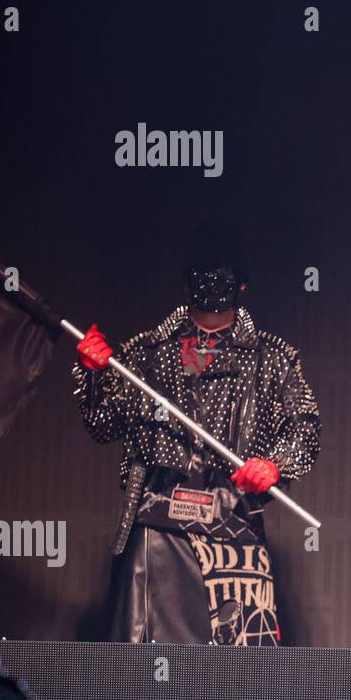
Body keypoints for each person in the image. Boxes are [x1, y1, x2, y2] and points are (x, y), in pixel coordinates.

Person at [72, 222, 320, 645]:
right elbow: (102, 424)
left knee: (238, 682)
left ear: (242, 282)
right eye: (202, 270)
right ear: (186, 278)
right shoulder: (145, 354)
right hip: (157, 528)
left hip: (233, 529)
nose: (211, 280)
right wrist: (92, 375)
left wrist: (272, 465)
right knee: (146, 680)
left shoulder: (272, 358)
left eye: (222, 271)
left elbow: (304, 427)